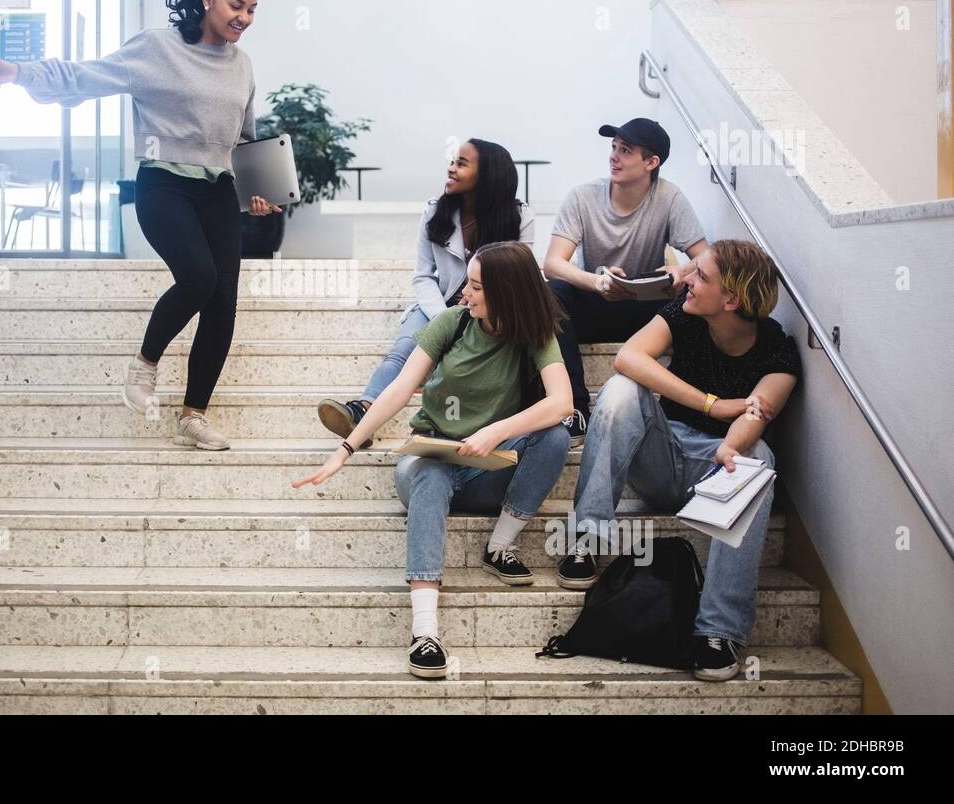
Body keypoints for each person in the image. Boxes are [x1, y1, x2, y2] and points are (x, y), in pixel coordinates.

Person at [0, 0, 279, 451]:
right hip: (164, 184)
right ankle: (144, 365)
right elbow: (85, 75)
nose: (244, 18)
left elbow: (243, 140)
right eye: (234, 5)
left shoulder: (242, 66)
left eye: (251, 10)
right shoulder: (156, 49)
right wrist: (18, 73)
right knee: (199, 278)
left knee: (222, 304)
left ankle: (193, 417)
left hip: (219, 190)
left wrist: (260, 192)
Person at [293, 241, 572, 679]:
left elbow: (562, 403)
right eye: (468, 283)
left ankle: (499, 547)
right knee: (429, 470)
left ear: (506, 293)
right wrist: (344, 451)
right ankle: (424, 631)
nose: (464, 293)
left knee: (554, 436)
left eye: (476, 286)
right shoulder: (452, 323)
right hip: (431, 460)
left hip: (488, 469)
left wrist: (495, 431)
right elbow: (401, 388)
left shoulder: (533, 336)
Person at [556, 240, 802, 682]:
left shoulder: (777, 349)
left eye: (701, 276)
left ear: (732, 299)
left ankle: (718, 632)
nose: (686, 278)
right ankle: (587, 537)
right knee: (619, 389)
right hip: (661, 457)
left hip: (714, 470)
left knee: (760, 458)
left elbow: (759, 411)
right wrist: (710, 404)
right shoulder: (682, 315)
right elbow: (627, 357)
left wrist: (730, 445)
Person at [316, 138, 536, 448]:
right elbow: (422, 276)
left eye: (461, 163)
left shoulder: (519, 216)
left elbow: (522, 276)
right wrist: (442, 317)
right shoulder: (435, 212)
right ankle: (362, 412)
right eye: (452, 161)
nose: (451, 168)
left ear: (487, 174)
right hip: (440, 305)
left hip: (494, 310)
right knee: (405, 346)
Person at [543, 118, 708, 445]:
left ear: (651, 162)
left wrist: (682, 273)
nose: (614, 157)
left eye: (626, 151)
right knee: (550, 294)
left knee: (699, 297)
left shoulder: (669, 198)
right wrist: (596, 281)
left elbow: (707, 257)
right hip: (594, 302)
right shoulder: (582, 197)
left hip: (647, 309)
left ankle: (682, 410)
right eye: (614, 148)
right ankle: (575, 409)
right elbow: (552, 263)